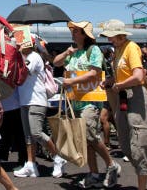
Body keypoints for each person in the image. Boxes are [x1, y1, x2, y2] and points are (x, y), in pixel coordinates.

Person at [100, 20, 147, 190]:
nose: (109, 40)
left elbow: (138, 76)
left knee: (139, 147)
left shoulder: (131, 47)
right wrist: (110, 81)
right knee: (127, 147)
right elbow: (122, 76)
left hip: (135, 96)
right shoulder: (117, 50)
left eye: (111, 36)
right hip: (122, 99)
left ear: (120, 35)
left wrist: (120, 85)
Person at [52, 21, 120, 189]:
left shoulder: (93, 50)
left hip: (90, 102)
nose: (73, 34)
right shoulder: (74, 53)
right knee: (85, 140)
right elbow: (56, 62)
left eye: (76, 31)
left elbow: (94, 73)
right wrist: (66, 52)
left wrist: (71, 81)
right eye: (73, 31)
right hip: (75, 102)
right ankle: (94, 173)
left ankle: (111, 164)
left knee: (90, 136)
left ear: (84, 34)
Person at [13, 39, 67, 179]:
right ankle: (31, 165)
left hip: (36, 101)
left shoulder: (34, 57)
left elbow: (22, 72)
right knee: (28, 136)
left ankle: (58, 157)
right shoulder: (26, 57)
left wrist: (17, 55)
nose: (18, 44)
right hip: (25, 101)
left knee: (36, 132)